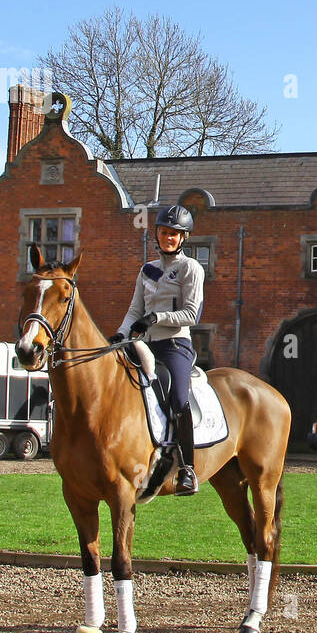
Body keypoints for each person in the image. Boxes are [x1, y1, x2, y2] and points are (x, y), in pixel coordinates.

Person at [109, 205, 204, 495]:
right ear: (158, 234)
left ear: (184, 237)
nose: (169, 238)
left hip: (175, 344)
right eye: (165, 232)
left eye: (175, 234)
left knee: (177, 397)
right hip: (143, 344)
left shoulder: (190, 268)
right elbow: (134, 310)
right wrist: (120, 335)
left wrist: (157, 318)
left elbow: (192, 314)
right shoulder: (147, 270)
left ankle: (187, 469)